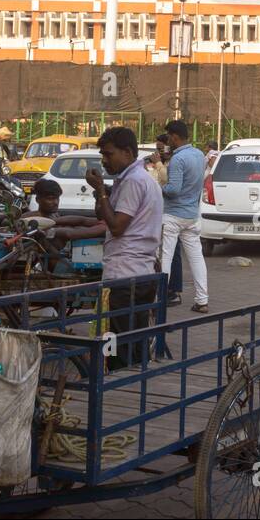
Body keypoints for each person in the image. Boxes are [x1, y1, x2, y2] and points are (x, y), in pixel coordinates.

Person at [86, 127, 163, 366]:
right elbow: (104, 214)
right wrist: (102, 193)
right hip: (136, 272)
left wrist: (101, 191)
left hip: (126, 275)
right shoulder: (132, 179)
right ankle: (130, 384)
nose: (104, 160)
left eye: (109, 155)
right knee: (129, 342)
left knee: (118, 345)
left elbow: (117, 226)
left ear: (127, 152)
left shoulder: (134, 181)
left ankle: (118, 389)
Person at [157, 120, 209, 314]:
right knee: (197, 258)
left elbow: (173, 190)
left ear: (175, 136)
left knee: (165, 258)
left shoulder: (178, 159)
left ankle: (159, 299)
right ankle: (202, 300)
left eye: (169, 136)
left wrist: (157, 187)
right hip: (192, 216)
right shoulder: (199, 155)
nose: (168, 139)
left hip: (173, 215)